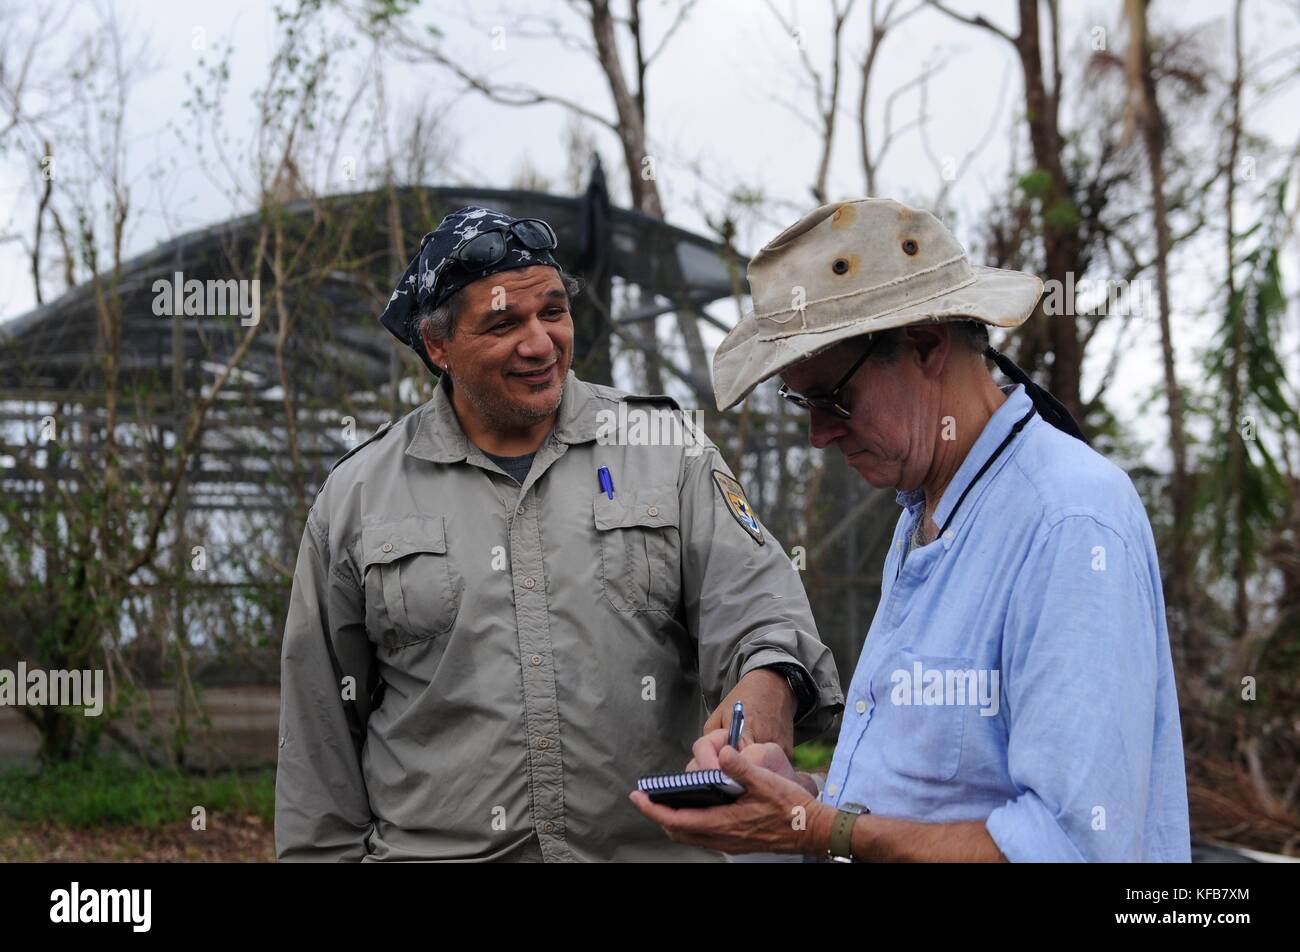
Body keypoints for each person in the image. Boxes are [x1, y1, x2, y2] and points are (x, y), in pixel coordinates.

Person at [275, 205, 844, 862]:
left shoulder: (666, 451)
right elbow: (318, 734)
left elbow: (758, 608)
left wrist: (768, 681)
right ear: (438, 346)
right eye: (503, 323)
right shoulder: (360, 495)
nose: (540, 343)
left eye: (552, 312)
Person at [632, 198, 1191, 862]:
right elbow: (937, 798)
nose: (817, 435)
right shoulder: (927, 507)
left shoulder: (1068, 521)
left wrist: (816, 827)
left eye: (832, 398)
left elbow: (1070, 846)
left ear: (926, 346)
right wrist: (798, 795)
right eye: (800, 402)